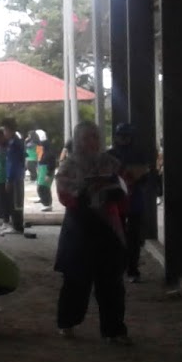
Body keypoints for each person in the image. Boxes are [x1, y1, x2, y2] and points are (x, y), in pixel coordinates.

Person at [54, 121, 130, 344]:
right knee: (76, 280)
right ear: (78, 140)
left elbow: (127, 190)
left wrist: (120, 192)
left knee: (111, 282)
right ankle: (67, 321)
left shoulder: (112, 163)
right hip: (79, 228)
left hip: (108, 227)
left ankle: (114, 330)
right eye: (87, 138)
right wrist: (83, 194)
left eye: (95, 137)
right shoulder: (68, 166)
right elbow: (64, 194)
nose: (92, 142)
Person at [106, 123, 155, 282]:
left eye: (126, 136)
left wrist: (136, 178)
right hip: (117, 200)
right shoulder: (110, 155)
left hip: (134, 200)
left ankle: (132, 269)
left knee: (133, 237)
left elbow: (147, 177)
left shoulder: (139, 154)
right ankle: (119, 267)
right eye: (121, 136)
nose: (123, 139)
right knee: (116, 236)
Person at [0, 118, 33, 238]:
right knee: (15, 202)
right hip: (17, 176)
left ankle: (17, 227)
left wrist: (9, 179)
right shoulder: (14, 142)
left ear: (9, 130)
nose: (4, 133)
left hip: (15, 177)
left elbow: (13, 163)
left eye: (4, 130)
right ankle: (16, 225)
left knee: (16, 203)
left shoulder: (14, 143)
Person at [37, 133, 61, 211]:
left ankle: (47, 204)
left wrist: (49, 174)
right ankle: (45, 202)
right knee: (41, 187)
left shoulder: (49, 152)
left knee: (43, 187)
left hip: (47, 170)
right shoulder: (45, 150)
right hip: (43, 170)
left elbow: (52, 162)